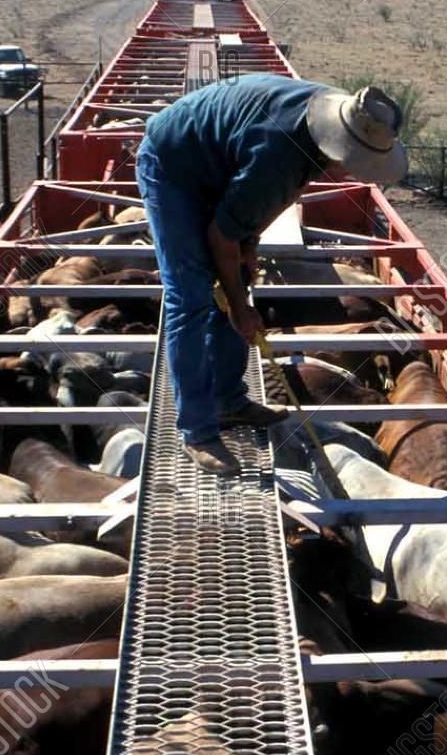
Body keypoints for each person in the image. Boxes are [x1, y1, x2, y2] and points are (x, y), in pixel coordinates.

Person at [135, 73, 408, 475]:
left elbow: (289, 191)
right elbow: (221, 235)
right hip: (173, 166)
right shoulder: (278, 153)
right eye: (352, 161)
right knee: (189, 298)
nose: (352, 171)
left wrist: (251, 242)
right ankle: (197, 430)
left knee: (238, 280)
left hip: (221, 163)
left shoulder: (323, 122)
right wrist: (241, 306)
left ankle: (228, 400)